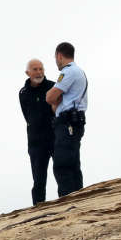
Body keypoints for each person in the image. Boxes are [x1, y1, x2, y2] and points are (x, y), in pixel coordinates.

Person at [44, 42, 88, 196]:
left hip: (68, 123)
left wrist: (53, 97)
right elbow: (55, 105)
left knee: (62, 164)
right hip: (72, 122)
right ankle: (79, 198)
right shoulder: (77, 71)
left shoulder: (69, 72)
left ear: (59, 55)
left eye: (55, 58)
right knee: (72, 165)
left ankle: (68, 201)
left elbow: (50, 98)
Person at [19, 59, 56, 205]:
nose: (39, 72)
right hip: (35, 141)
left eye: (41, 69)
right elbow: (27, 116)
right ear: (27, 73)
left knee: (62, 171)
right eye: (35, 69)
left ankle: (68, 204)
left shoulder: (53, 86)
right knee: (38, 179)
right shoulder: (23, 93)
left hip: (54, 136)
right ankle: (38, 208)